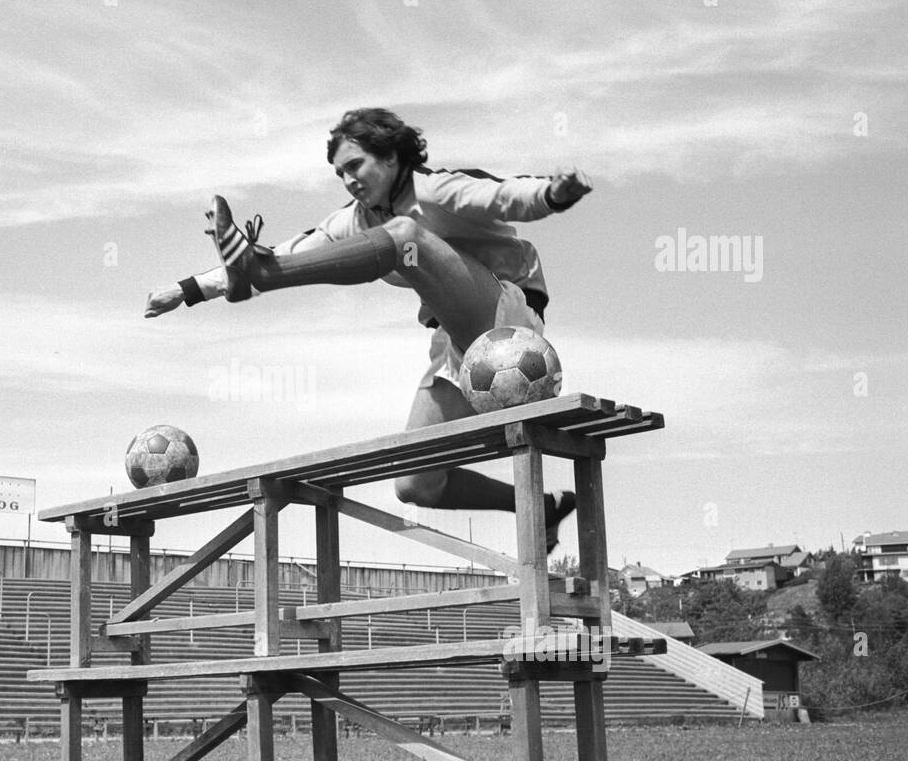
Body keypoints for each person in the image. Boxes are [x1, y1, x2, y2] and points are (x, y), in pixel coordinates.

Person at [144, 108, 592, 552]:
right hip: (460, 349)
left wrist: (554, 192)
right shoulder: (354, 219)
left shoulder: (435, 188)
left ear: (392, 156)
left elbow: (502, 196)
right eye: (340, 173)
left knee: (404, 237)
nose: (348, 180)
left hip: (510, 322)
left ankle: (256, 278)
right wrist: (187, 290)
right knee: (416, 484)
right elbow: (288, 253)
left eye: (355, 165)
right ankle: (542, 505)